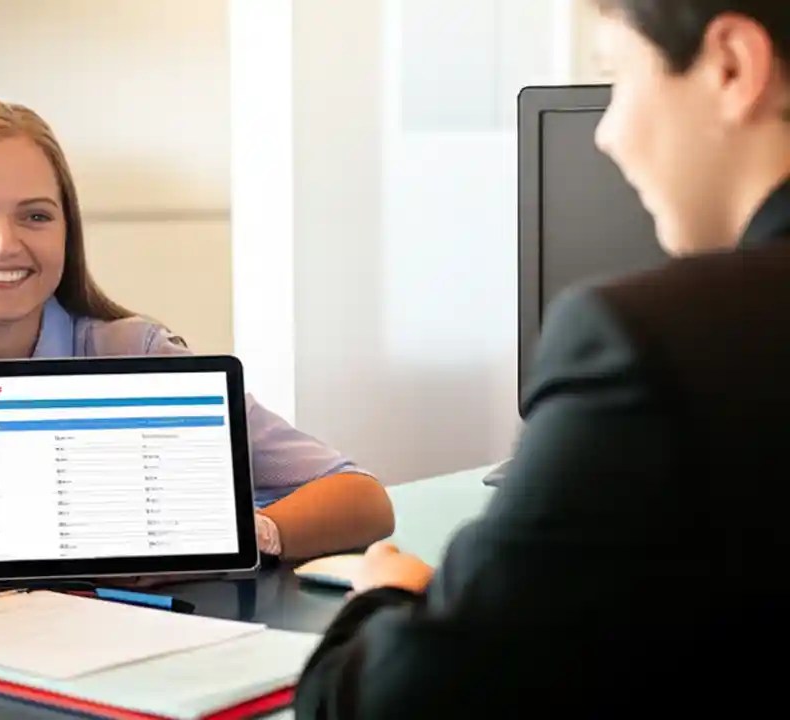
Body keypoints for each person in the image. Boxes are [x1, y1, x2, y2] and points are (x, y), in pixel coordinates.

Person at [295, 1, 790, 715]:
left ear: (733, 67)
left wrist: (387, 598)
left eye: (617, 75)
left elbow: (380, 704)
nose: (608, 135)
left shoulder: (647, 343)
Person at [0, 98, 394, 561]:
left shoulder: (138, 355)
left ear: (68, 230)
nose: (3, 244)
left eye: (36, 216)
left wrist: (241, 536)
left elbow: (364, 500)